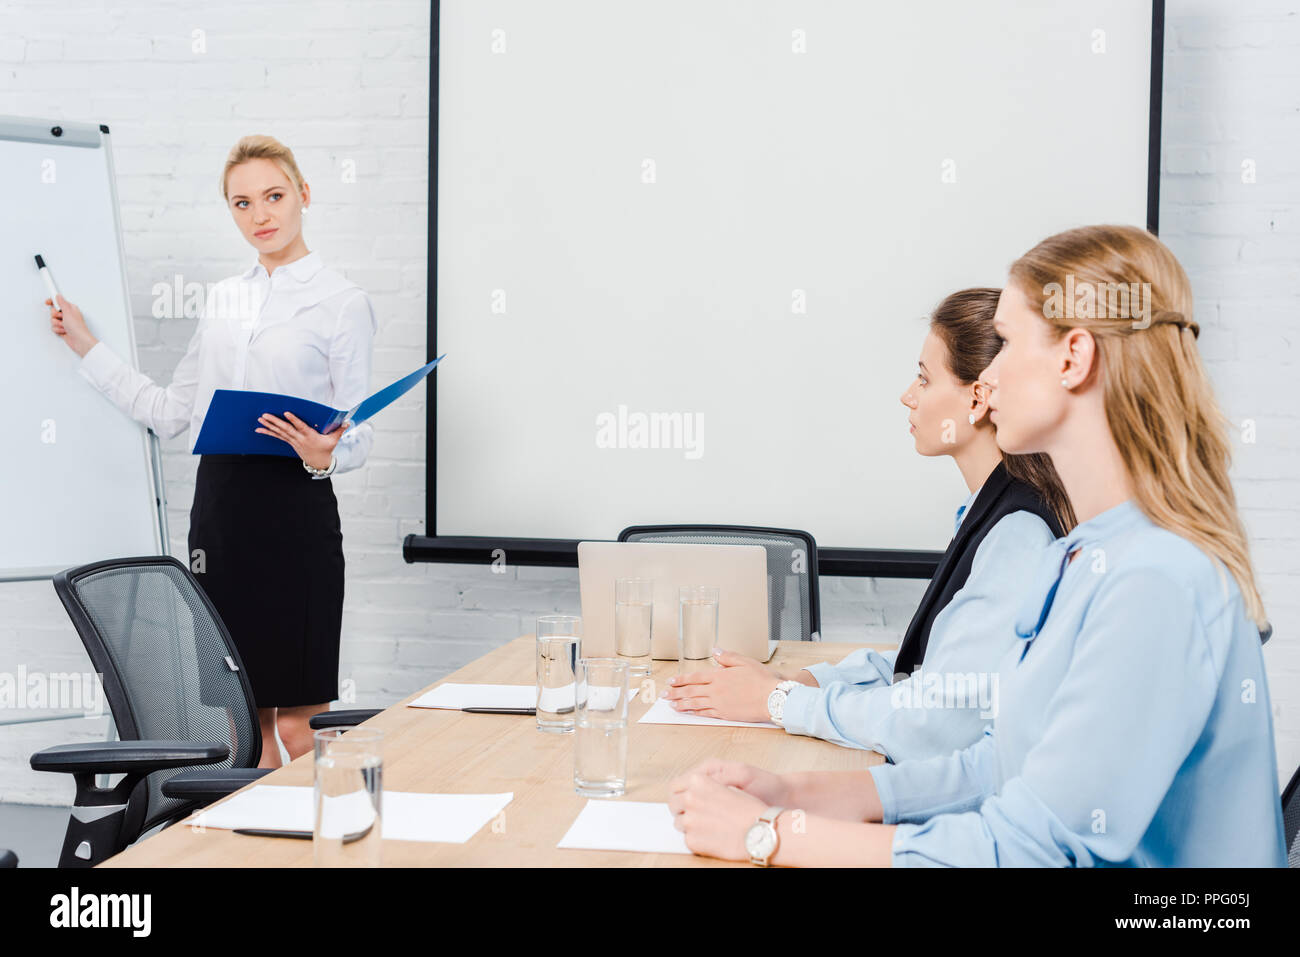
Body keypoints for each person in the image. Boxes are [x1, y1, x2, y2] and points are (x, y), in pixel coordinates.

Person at [668, 224, 1286, 867]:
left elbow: (1028, 851)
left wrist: (768, 835)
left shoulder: (1154, 579)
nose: (985, 379)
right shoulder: (1081, 556)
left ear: (1074, 357)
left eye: (1009, 343)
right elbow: (1003, 766)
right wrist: (798, 791)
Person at [47, 134, 377, 768]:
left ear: (303, 195)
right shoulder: (224, 299)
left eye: (274, 196)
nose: (261, 215)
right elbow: (174, 412)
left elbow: (360, 430)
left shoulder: (342, 302)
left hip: (295, 512)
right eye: (242, 202)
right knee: (239, 722)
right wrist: (87, 346)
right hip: (221, 514)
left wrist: (324, 452)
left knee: (304, 721)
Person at [664, 288, 1075, 763]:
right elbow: (921, 671)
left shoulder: (1018, 533)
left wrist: (775, 703)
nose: (908, 396)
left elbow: (935, 721)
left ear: (978, 400)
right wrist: (796, 683)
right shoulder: (989, 509)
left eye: (924, 379)